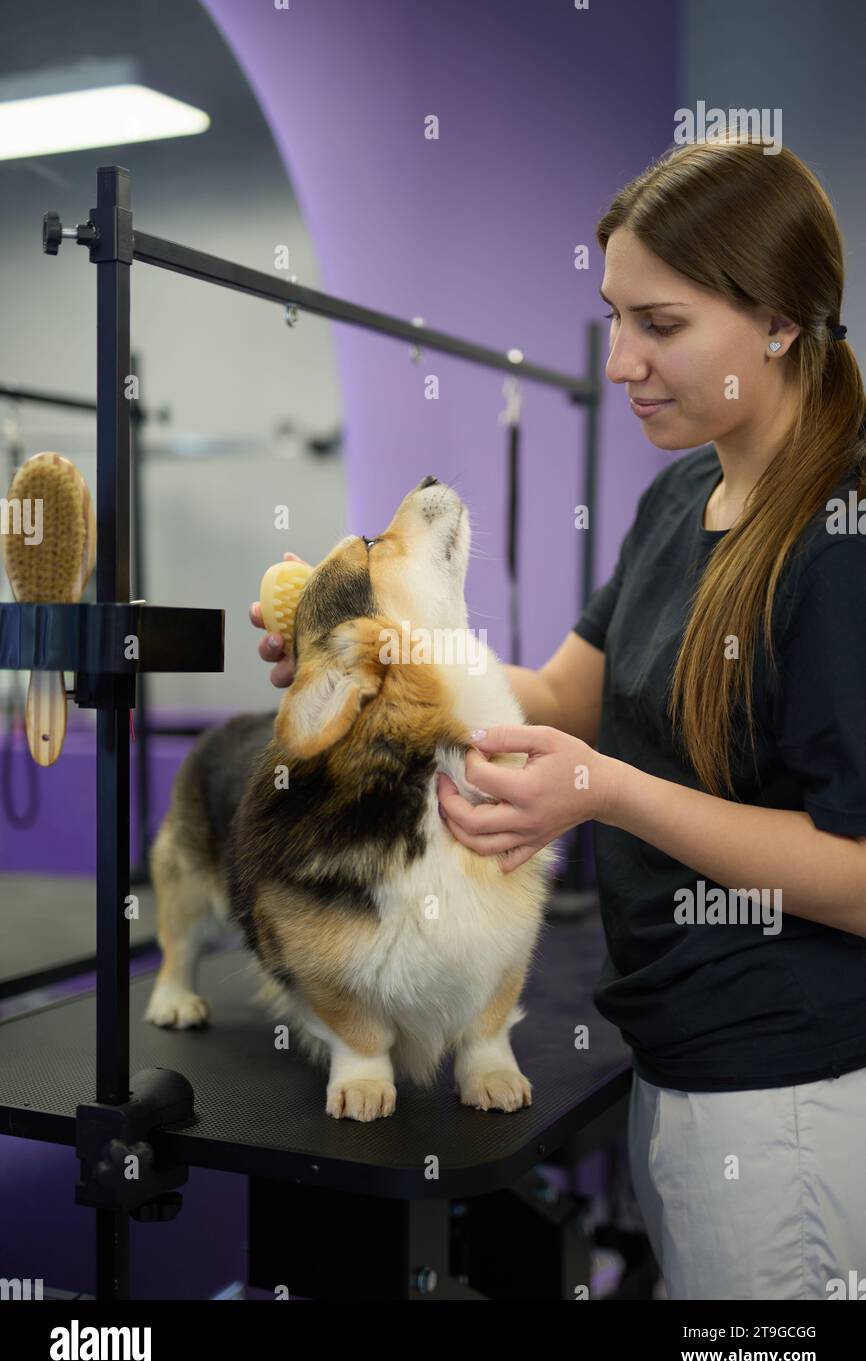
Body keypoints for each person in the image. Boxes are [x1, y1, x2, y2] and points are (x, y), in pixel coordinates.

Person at [250, 132, 866, 1300]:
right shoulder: (687, 489)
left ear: (779, 320)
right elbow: (553, 696)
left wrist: (606, 791)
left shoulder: (838, 541)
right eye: (613, 317)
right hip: (675, 1058)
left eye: (662, 325)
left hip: (786, 1095)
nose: (623, 359)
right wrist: (374, 669)